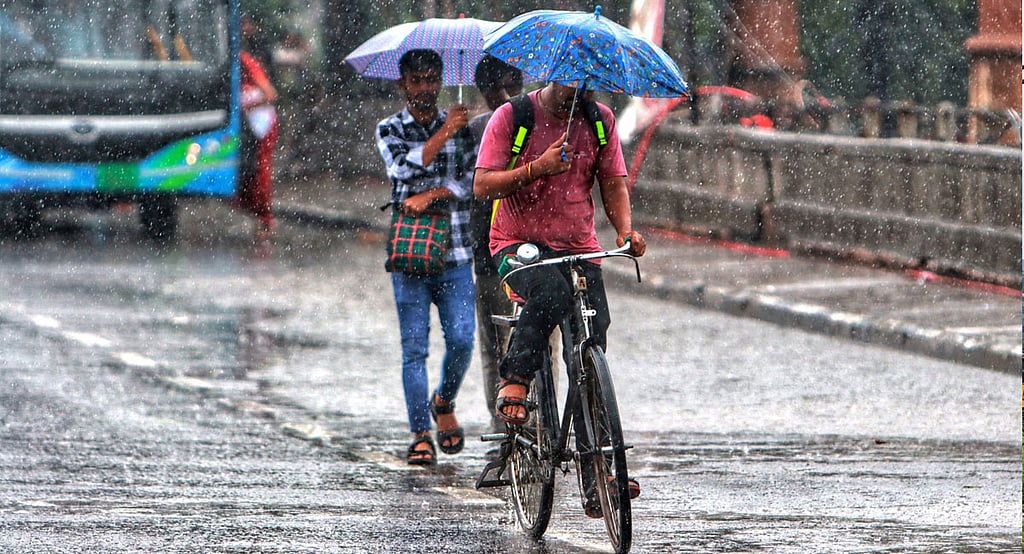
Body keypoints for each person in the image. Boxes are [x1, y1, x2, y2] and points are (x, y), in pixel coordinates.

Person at [473, 81, 646, 516]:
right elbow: (482, 186)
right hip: (517, 245)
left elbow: (614, 184)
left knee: (589, 345)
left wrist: (625, 233)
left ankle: (598, 475)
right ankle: (515, 377)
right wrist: (537, 168)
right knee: (550, 292)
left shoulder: (600, 121)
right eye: (572, 82)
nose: (580, 91)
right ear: (553, 74)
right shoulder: (514, 118)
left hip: (579, 248)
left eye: (589, 84)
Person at [375, 49, 476, 466]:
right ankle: (420, 432)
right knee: (414, 349)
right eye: (417, 80)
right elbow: (402, 170)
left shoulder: (463, 128)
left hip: (455, 252)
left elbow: (473, 180)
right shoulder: (389, 128)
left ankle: (444, 400)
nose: (426, 88)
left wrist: (434, 193)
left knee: (462, 340)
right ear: (403, 84)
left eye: (432, 79)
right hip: (410, 255)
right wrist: (443, 134)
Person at [468, 55, 523, 436]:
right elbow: (470, 190)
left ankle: (534, 422)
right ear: (485, 92)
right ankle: (501, 424)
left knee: (535, 343)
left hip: (533, 249)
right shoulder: (472, 131)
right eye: (496, 88)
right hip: (489, 251)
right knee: (496, 345)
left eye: (511, 86)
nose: (504, 96)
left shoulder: (536, 121)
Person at [237, 47, 279, 240]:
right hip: (248, 126)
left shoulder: (245, 61)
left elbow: (270, 94)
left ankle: (265, 218)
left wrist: (243, 106)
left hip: (261, 124)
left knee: (261, 171)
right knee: (250, 173)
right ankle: (260, 215)